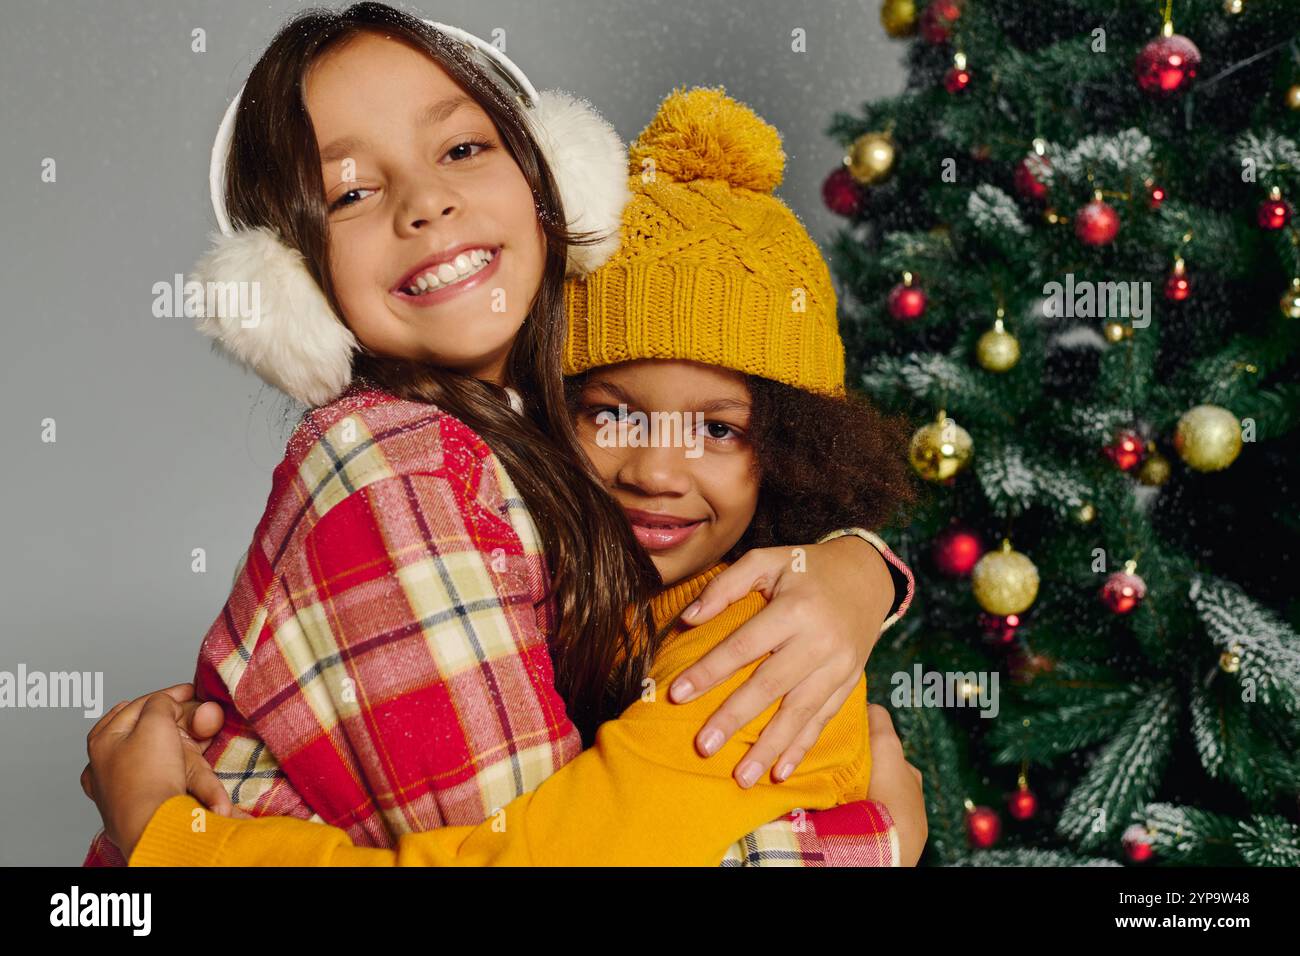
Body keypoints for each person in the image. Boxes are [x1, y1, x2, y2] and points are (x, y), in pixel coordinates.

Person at [85, 86, 928, 867]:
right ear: (545, 410)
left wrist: (169, 838)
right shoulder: (572, 589)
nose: (657, 470)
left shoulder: (756, 638)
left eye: (717, 428)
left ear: (795, 450)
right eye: (611, 414)